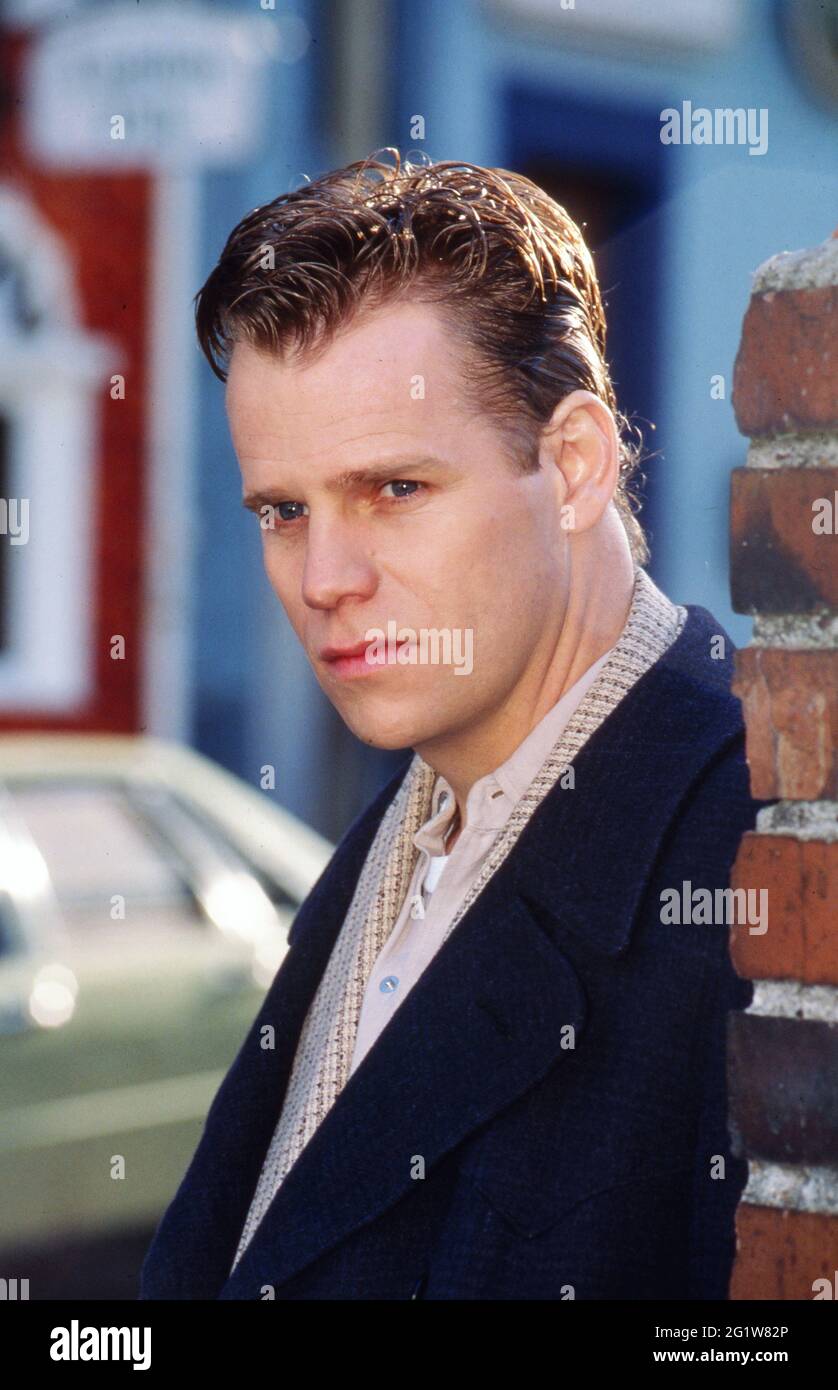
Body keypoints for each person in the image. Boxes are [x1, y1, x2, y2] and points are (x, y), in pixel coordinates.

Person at [139, 151, 769, 1300]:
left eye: (394, 490)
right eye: (284, 509)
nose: (324, 577)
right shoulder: (406, 831)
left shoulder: (759, 858)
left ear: (570, 463)